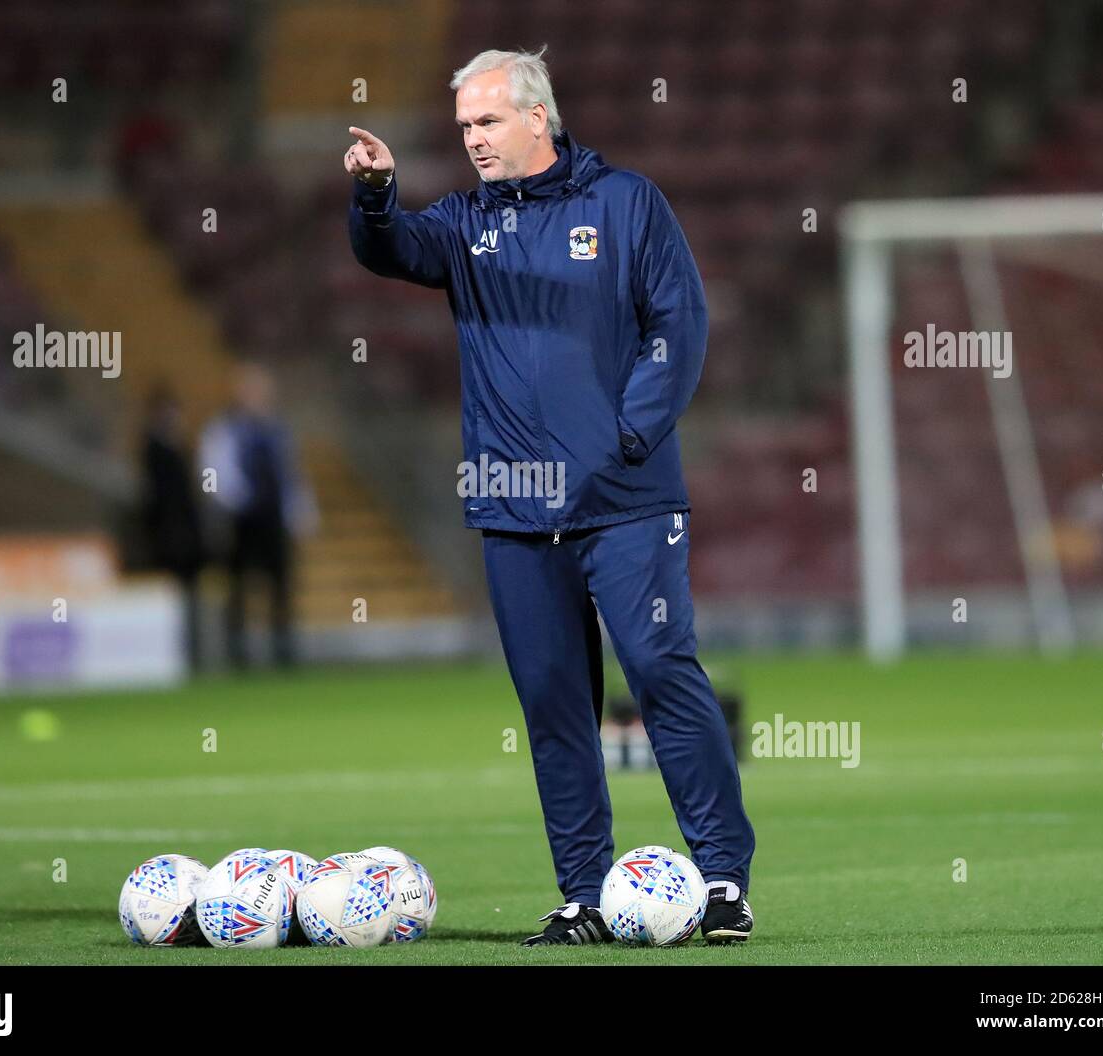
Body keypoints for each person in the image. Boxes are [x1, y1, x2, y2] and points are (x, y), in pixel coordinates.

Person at [344, 46, 755, 946]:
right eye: (464, 128)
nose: (475, 141)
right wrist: (375, 195)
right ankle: (585, 895)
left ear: (539, 116)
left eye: (488, 122)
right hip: (511, 504)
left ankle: (723, 879)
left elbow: (677, 323)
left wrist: (629, 438)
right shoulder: (461, 224)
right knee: (553, 700)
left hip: (628, 499)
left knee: (658, 671)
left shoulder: (628, 204)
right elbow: (391, 250)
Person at [199, 361, 317, 669]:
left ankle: (283, 650)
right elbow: (214, 473)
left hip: (274, 517)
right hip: (243, 519)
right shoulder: (224, 429)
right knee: (239, 584)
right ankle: (237, 652)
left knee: (281, 585)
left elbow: (291, 475)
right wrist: (238, 502)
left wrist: (301, 512)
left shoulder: (278, 430)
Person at [139, 385, 206, 671]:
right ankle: (173, 657)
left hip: (187, 537)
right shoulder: (153, 449)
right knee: (169, 598)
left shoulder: (183, 447)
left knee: (190, 597)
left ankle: (193, 654)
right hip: (167, 536)